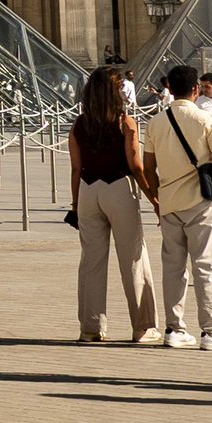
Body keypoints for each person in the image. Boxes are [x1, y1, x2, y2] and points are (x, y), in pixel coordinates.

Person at [139, 65, 212, 349]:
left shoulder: (155, 122)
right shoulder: (206, 120)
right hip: (201, 201)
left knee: (173, 268)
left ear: (169, 88)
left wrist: (156, 199)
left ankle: (174, 328)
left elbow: (148, 167)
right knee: (205, 265)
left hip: (168, 202)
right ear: (196, 89)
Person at [68, 66, 156, 345]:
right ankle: (143, 327)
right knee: (133, 258)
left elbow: (75, 168)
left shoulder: (79, 124)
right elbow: (136, 165)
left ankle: (91, 327)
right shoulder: (125, 122)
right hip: (118, 187)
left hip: (88, 189)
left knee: (91, 261)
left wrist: (75, 204)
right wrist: (153, 197)